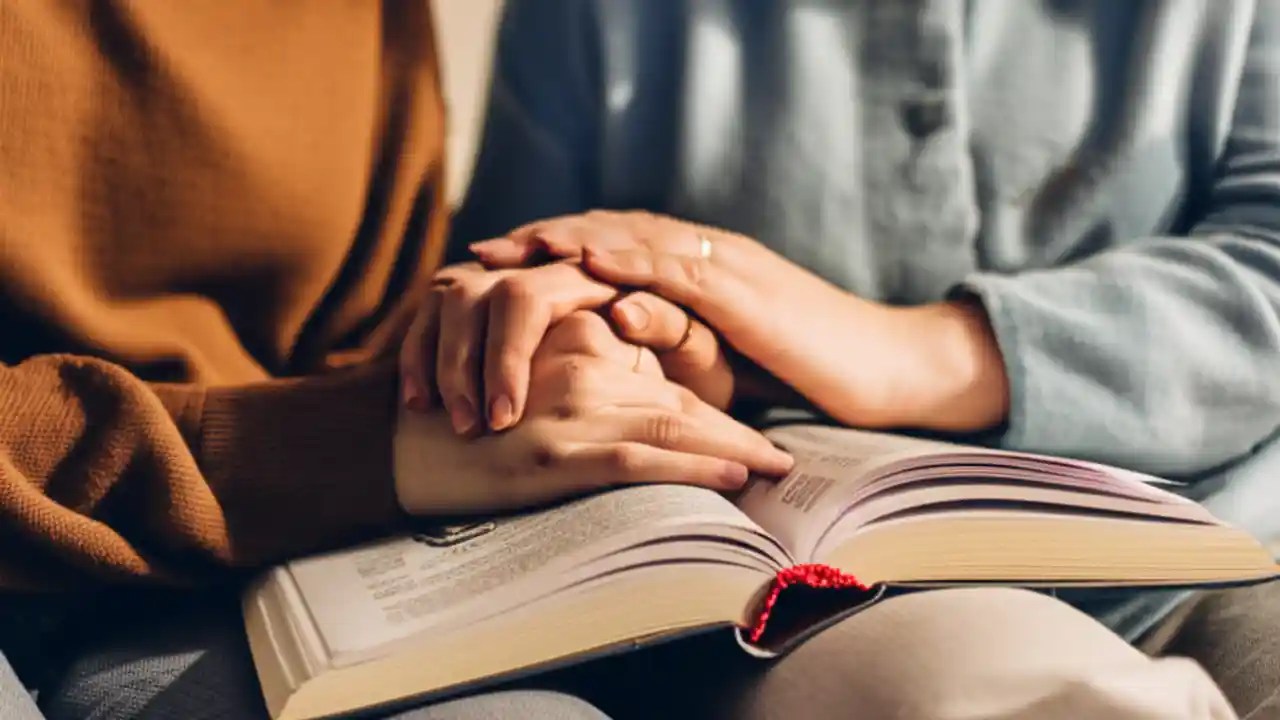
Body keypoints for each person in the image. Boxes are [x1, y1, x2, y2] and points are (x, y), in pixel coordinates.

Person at [397, 0, 1280, 716]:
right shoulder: (590, 19)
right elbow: (519, 271)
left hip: (1216, 543)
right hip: (766, 597)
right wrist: (628, 347)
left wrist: (906, 353)